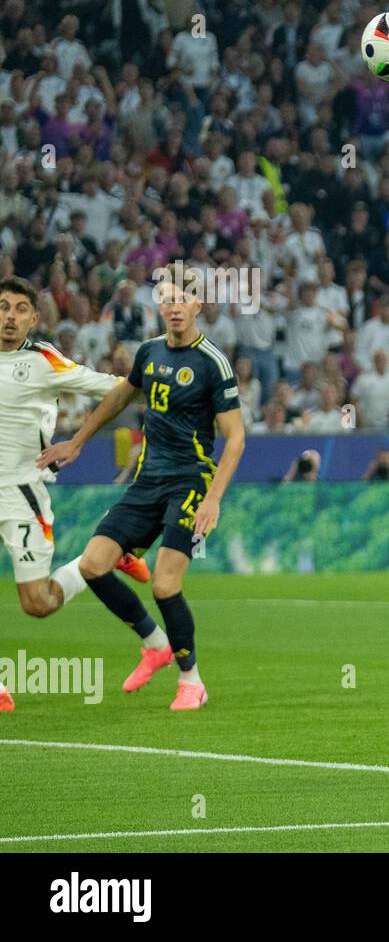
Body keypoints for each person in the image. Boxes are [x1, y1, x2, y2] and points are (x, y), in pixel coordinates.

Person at [38, 281, 246, 711]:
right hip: (146, 481)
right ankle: (155, 644)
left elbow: (236, 438)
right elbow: (119, 397)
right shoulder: (150, 352)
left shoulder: (213, 363)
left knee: (167, 585)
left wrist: (213, 499)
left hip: (190, 482)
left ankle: (192, 680)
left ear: (197, 305)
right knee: (94, 565)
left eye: (183, 300)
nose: (174, 308)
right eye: (167, 299)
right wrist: (76, 441)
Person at [0, 278, 151, 710]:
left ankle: (96, 561)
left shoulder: (44, 361)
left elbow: (114, 387)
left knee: (39, 604)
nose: (10, 316)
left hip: (20, 493)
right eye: (3, 306)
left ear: (33, 317)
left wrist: (156, 381)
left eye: (19, 309)